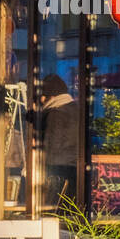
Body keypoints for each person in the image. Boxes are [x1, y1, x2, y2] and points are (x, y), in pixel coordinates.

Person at [39, 73, 80, 207]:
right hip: (75, 169)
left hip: (57, 172)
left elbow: (50, 147)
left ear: (50, 96)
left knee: (53, 208)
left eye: (42, 95)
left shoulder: (55, 114)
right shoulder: (76, 109)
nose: (40, 99)